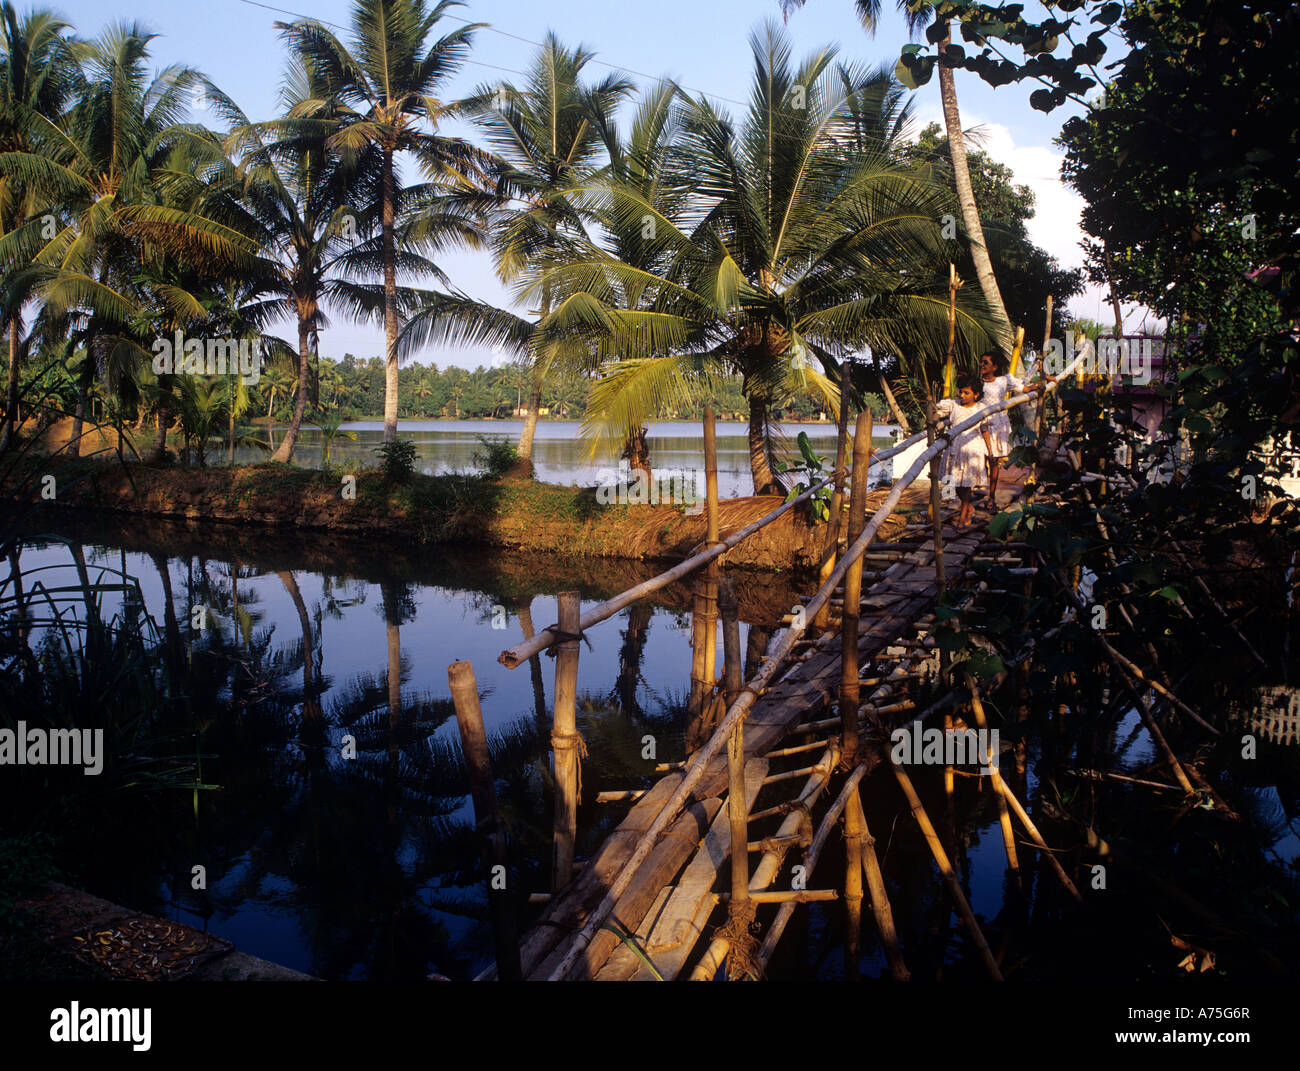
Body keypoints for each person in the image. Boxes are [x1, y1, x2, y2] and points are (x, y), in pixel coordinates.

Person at [936, 375, 994, 529]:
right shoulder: (953, 405)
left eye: (966, 393)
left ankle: (963, 517)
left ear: (975, 394)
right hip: (954, 446)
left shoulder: (981, 409)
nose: (962, 396)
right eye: (961, 392)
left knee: (967, 484)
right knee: (955, 482)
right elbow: (937, 415)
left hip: (972, 448)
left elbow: (985, 429)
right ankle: (968, 507)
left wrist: (990, 451)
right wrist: (932, 422)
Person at [978, 352, 1024, 507]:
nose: (982, 365)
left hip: (997, 423)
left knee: (994, 461)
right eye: (981, 362)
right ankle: (972, 494)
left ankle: (991, 496)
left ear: (995, 367)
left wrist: (1043, 382)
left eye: (986, 363)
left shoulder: (1004, 381)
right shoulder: (977, 383)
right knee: (977, 458)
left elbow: (1024, 387)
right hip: (978, 423)